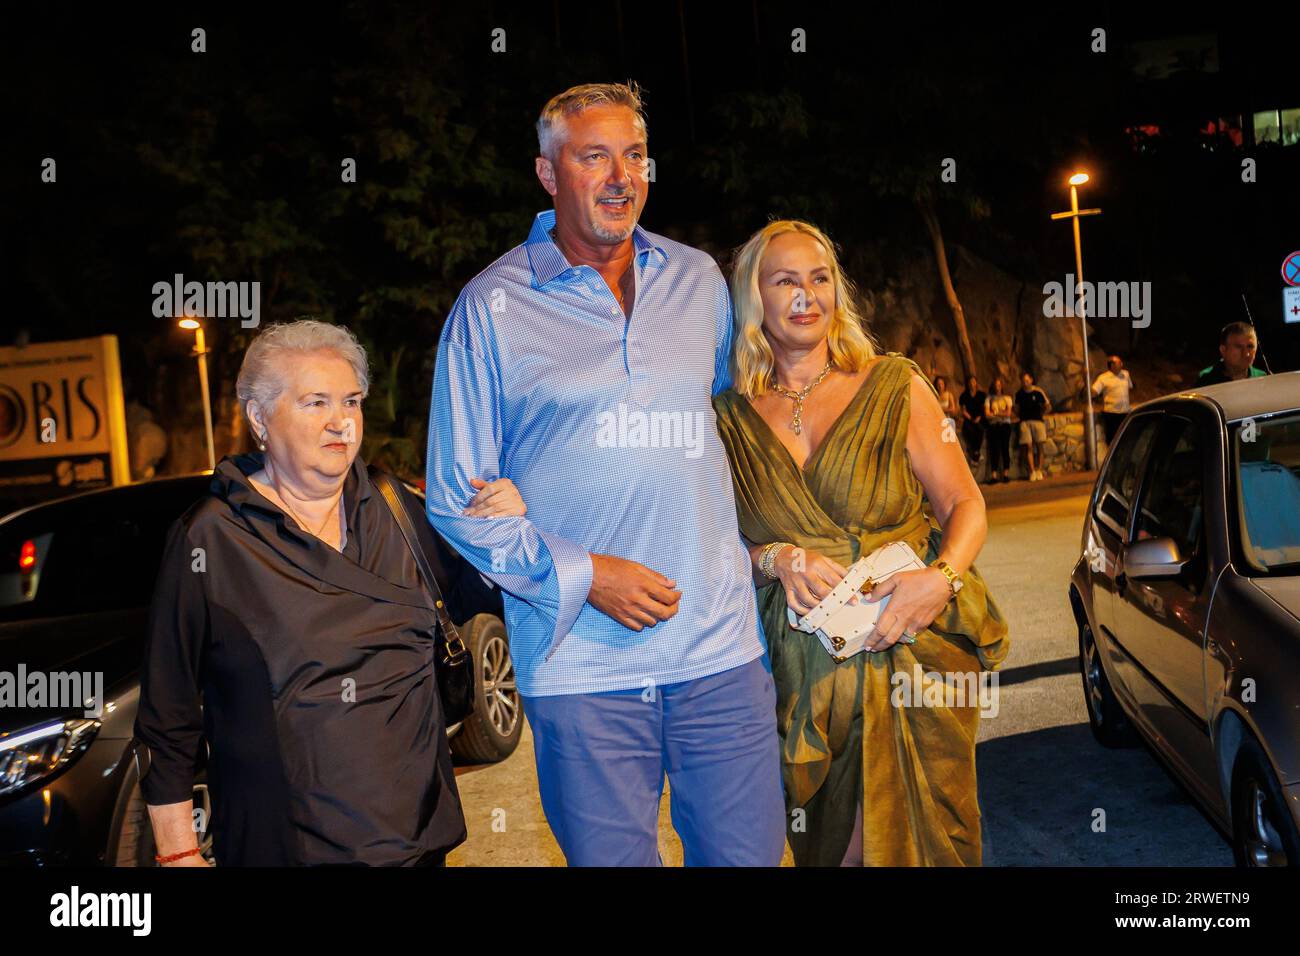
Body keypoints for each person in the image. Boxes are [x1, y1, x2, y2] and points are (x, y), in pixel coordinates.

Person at [423, 82, 785, 867]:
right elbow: (455, 501)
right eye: (595, 158)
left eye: (634, 156)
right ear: (549, 175)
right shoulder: (489, 310)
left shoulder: (699, 282)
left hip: (720, 656)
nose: (621, 176)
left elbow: (742, 424)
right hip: (581, 669)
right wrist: (586, 574)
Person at [135, 320, 513, 866]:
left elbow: (469, 606)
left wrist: (496, 534)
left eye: (352, 401)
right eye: (316, 403)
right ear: (260, 418)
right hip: (286, 849)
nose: (342, 423)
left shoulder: (393, 507)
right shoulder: (210, 539)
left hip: (418, 840)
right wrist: (177, 854)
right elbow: (167, 714)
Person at [710, 220, 1010, 866]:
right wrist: (772, 557)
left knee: (930, 841)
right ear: (752, 297)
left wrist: (943, 578)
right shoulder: (726, 418)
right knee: (830, 850)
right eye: (785, 280)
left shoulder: (895, 384)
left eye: (820, 279)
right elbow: (707, 543)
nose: (805, 295)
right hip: (800, 670)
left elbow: (965, 503)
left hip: (911, 649)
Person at [1196, 322, 1269, 385]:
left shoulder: (1262, 378)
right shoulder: (1206, 379)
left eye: (1250, 346)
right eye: (1239, 347)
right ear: (1223, 350)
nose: (1246, 354)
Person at [1014, 370, 1052, 481]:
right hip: (1025, 422)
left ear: (1031, 380)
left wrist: (1042, 414)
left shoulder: (1038, 392)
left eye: (1027, 380)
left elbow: (1048, 405)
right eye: (1023, 381)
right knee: (1028, 446)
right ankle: (1032, 471)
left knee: (1040, 445)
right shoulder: (1019, 394)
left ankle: (1039, 470)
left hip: (1037, 421)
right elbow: (1016, 409)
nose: (1025, 382)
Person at [1091, 354, 1133, 445]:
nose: (1122, 364)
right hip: (1111, 414)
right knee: (1112, 439)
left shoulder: (1126, 374)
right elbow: (1094, 392)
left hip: (1125, 412)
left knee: (1125, 438)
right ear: (1112, 365)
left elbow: (1130, 387)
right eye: (1119, 362)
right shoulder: (1103, 378)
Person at [984, 377, 1014, 484]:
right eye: (996, 385)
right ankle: (994, 475)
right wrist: (1001, 413)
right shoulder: (989, 399)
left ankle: (1006, 474)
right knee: (994, 450)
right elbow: (987, 414)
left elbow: (1008, 414)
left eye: (999, 385)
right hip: (993, 426)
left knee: (1005, 448)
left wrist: (995, 414)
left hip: (1005, 425)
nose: (998, 387)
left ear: (1002, 386)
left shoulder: (1007, 398)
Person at [958, 374, 987, 468]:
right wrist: (970, 418)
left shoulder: (982, 395)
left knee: (980, 430)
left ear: (976, 383)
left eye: (973, 382)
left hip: (980, 418)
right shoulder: (964, 396)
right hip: (969, 418)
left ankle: (975, 452)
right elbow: (963, 410)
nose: (972, 384)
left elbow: (984, 408)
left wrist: (979, 417)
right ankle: (976, 453)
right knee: (969, 431)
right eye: (970, 382)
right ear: (967, 384)